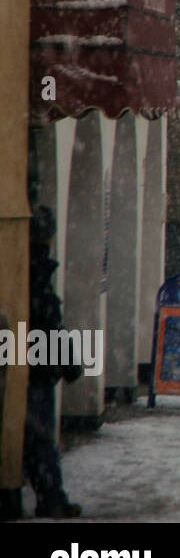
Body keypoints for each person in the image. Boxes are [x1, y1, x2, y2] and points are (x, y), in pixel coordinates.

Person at [17, 206, 82, 519]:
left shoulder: (25, 268)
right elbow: (50, 324)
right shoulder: (37, 273)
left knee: (34, 433)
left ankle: (45, 490)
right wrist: (69, 363)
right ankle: (50, 495)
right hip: (34, 366)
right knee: (39, 434)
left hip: (23, 360)